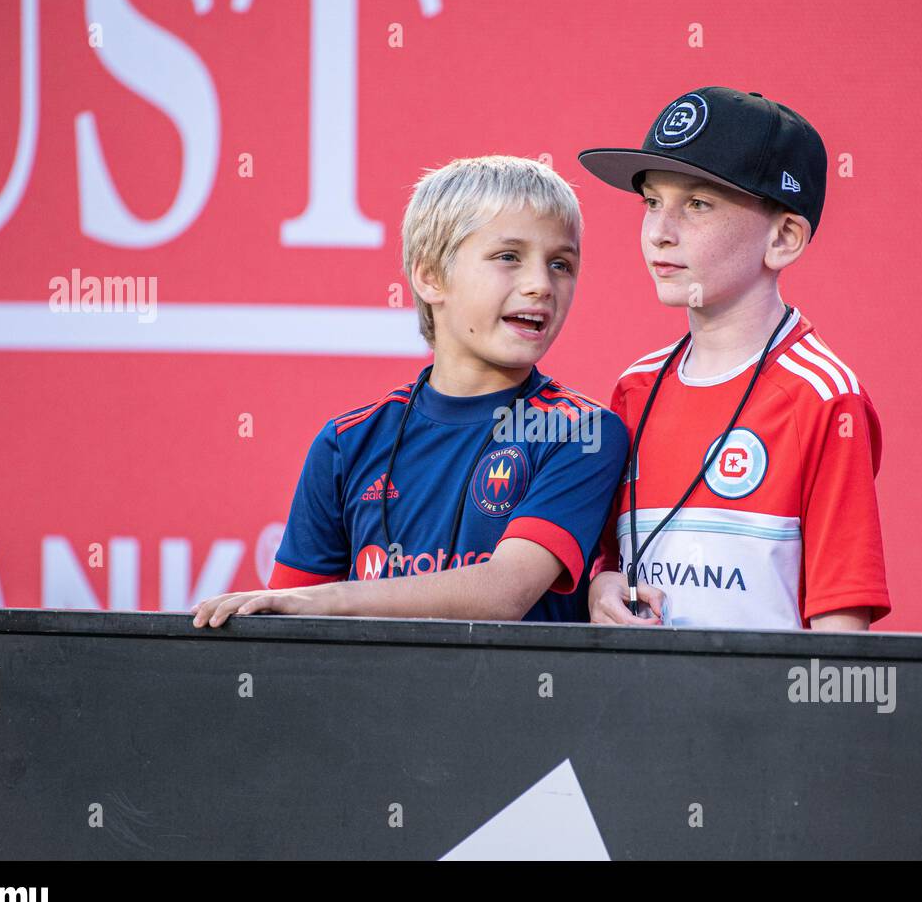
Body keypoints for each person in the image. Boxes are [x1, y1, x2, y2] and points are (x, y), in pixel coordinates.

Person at [191, 155, 626, 628]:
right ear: (430, 277)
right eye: (508, 257)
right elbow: (288, 628)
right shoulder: (347, 442)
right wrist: (305, 602)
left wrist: (324, 600)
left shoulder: (583, 431)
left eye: (561, 264)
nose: (541, 285)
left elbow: (504, 594)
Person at [577, 87, 891, 631]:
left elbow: (842, 637)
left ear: (784, 238)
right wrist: (603, 585)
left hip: (761, 716)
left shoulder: (823, 397)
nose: (659, 231)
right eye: (652, 202)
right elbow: (610, 562)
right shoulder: (635, 389)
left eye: (697, 204)